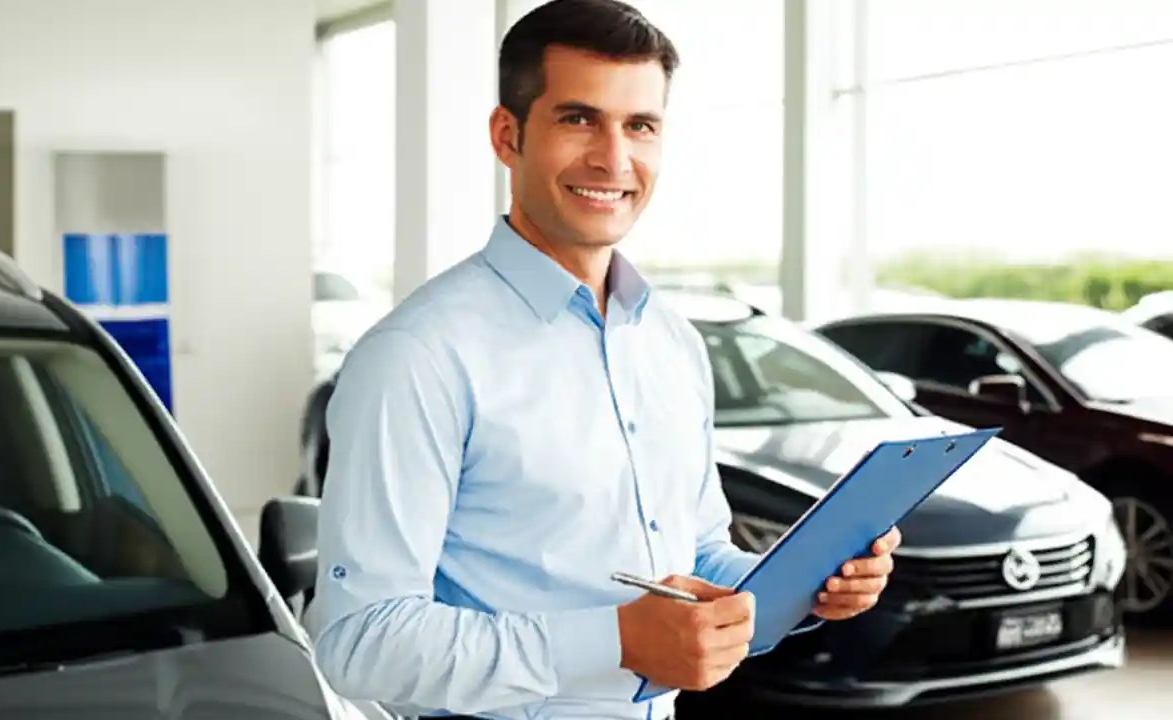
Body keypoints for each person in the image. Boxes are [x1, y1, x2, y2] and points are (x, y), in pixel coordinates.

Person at [302, 1, 900, 718]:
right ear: (507, 135)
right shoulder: (418, 357)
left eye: (640, 126)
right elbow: (359, 641)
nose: (613, 159)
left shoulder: (672, 344)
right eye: (578, 118)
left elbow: (700, 556)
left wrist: (806, 586)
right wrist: (613, 642)